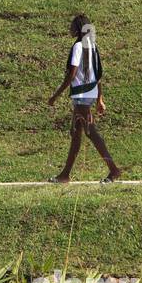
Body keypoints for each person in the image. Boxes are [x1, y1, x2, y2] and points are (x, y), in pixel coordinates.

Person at [46, 14, 120, 183]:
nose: (70, 29)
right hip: (89, 94)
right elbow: (98, 75)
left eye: (72, 26)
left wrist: (55, 96)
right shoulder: (92, 47)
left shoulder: (79, 47)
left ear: (78, 29)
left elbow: (71, 75)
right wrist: (100, 98)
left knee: (91, 132)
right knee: (76, 134)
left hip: (81, 95)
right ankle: (65, 174)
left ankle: (114, 169)